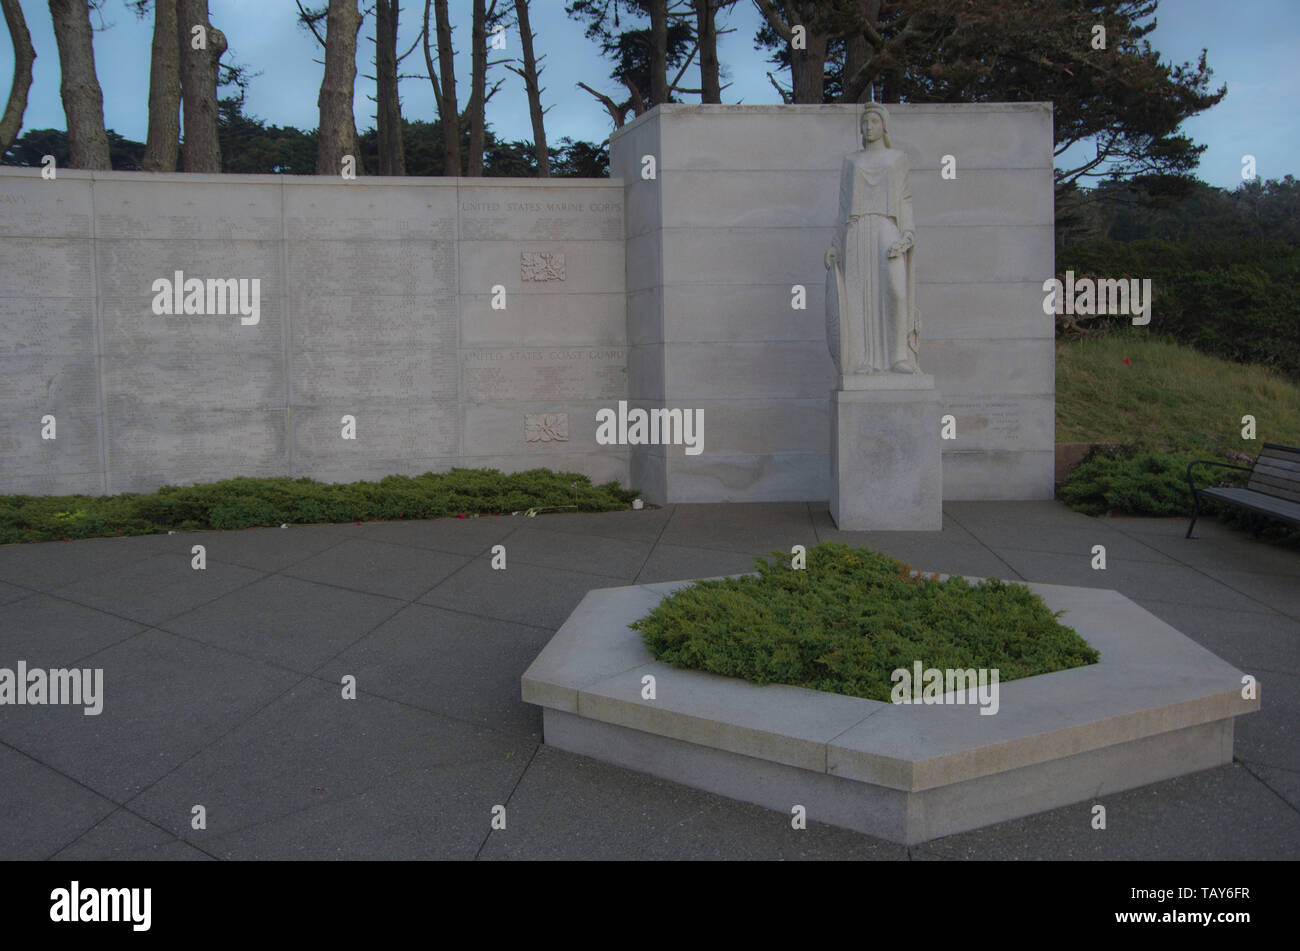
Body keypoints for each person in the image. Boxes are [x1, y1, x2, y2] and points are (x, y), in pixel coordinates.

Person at [825, 104, 920, 377]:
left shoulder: (897, 158)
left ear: (883, 126)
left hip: (887, 227)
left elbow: (905, 198)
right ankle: (862, 360)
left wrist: (908, 232)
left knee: (895, 290)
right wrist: (835, 243)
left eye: (874, 122)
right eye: (864, 123)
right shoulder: (852, 161)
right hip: (857, 229)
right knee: (858, 296)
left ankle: (899, 357)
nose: (868, 127)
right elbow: (843, 204)